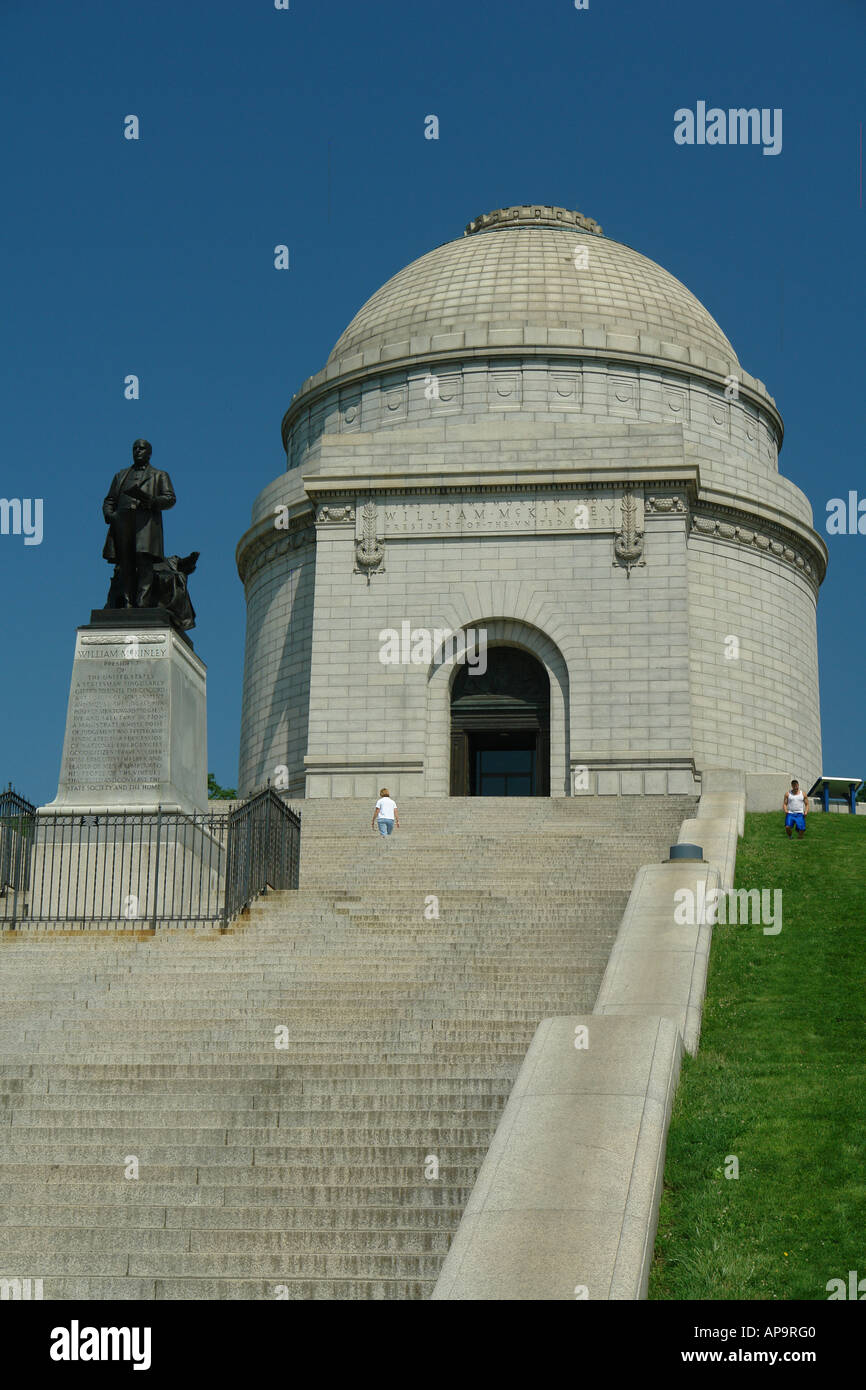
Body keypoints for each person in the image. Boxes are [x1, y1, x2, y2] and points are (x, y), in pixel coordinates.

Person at [102, 438, 176, 608]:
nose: (137, 452)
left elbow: (170, 498)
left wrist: (152, 501)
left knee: (144, 562)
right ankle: (127, 601)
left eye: (141, 449)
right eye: (135, 449)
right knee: (125, 562)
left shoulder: (159, 475)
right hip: (122, 524)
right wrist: (111, 516)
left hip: (146, 525)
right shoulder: (121, 475)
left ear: (149, 453)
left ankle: (142, 602)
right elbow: (110, 500)